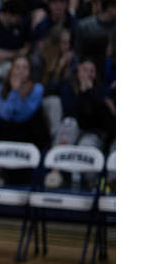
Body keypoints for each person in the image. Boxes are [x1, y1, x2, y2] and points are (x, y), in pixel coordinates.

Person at [43, 57, 115, 189]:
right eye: (84, 70)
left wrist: (89, 92)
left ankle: (90, 184)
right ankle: (55, 171)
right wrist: (82, 92)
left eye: (91, 71)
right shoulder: (68, 87)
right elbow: (71, 112)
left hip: (94, 133)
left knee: (86, 144)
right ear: (77, 71)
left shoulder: (102, 90)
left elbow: (101, 120)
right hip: (73, 130)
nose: (88, 74)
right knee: (70, 123)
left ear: (96, 74)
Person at [0, 56, 48, 186]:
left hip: (30, 133)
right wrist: (14, 92)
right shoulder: (0, 88)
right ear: (11, 70)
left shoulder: (37, 89)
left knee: (17, 123)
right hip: (8, 131)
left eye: (25, 68)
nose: (21, 71)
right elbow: (4, 114)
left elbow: (25, 114)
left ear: (30, 72)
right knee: (2, 123)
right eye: (17, 67)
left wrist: (15, 94)